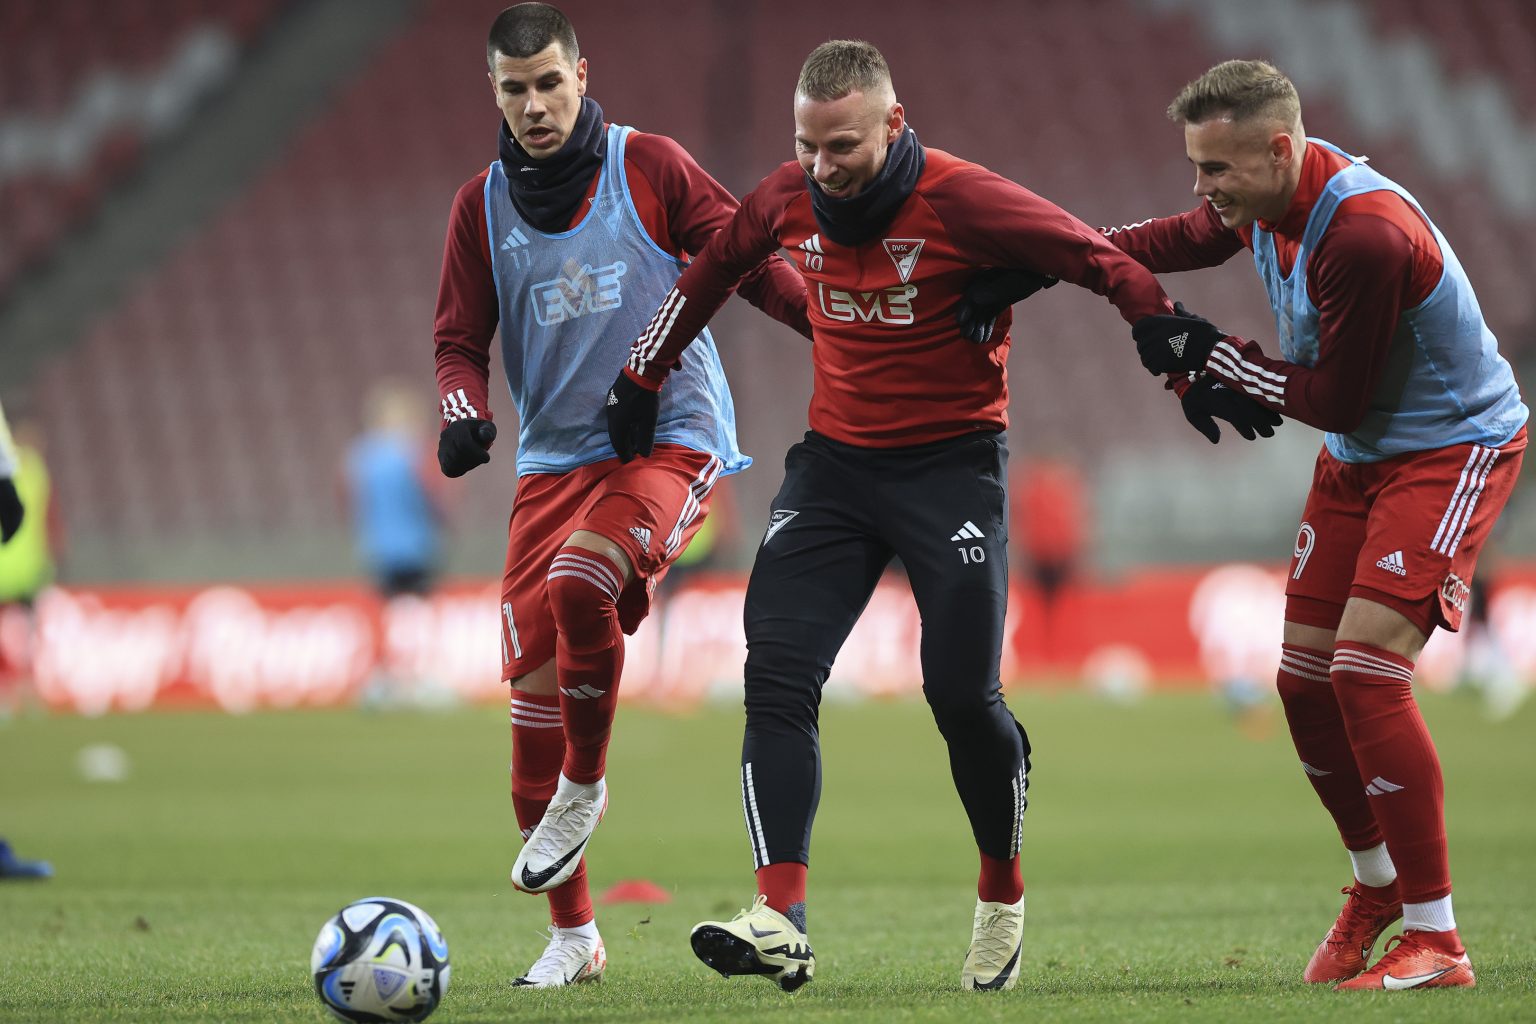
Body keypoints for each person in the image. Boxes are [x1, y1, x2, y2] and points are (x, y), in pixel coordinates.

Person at [602, 40, 1270, 993]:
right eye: (809, 147)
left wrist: (1166, 347)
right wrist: (643, 370)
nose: (823, 169)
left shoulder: (966, 200)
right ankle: (780, 912)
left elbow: (1091, 255)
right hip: (832, 472)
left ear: (895, 126)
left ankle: (1001, 891)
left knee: (961, 699)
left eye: (843, 147)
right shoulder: (785, 197)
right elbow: (710, 270)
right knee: (776, 676)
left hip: (952, 473)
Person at [1118, 60, 1527, 990]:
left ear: (1279, 148)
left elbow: (1335, 392)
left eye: (1216, 169)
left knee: (1365, 672)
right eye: (1195, 165)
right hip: (1360, 455)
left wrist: (1217, 358)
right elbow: (1180, 236)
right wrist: (1060, 250)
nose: (1201, 187)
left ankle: (1438, 939)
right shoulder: (1264, 202)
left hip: (1448, 449)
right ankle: (1376, 890)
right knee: (1302, 684)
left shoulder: (1366, 234)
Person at [431, 3, 813, 989]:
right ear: (495, 95)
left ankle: (589, 785)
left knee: (582, 582)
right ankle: (573, 937)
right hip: (550, 464)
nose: (535, 105)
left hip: (666, 438)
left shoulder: (650, 165)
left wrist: (834, 327)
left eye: (550, 83)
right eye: (515, 90)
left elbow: (745, 257)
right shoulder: (479, 208)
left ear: (581, 75)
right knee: (529, 711)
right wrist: (461, 408)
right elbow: (457, 341)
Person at [344, 380, 448, 707]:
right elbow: (433, 494)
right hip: (416, 543)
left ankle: (383, 680)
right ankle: (419, 679)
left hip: (379, 545)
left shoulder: (360, 455)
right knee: (419, 611)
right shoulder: (415, 452)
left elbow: (350, 498)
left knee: (385, 612)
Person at [0, 399, 52, 881]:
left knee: (25, 642)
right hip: (14, 565)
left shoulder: (30, 467)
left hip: (20, 566)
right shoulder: (26, 467)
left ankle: (21, 695)